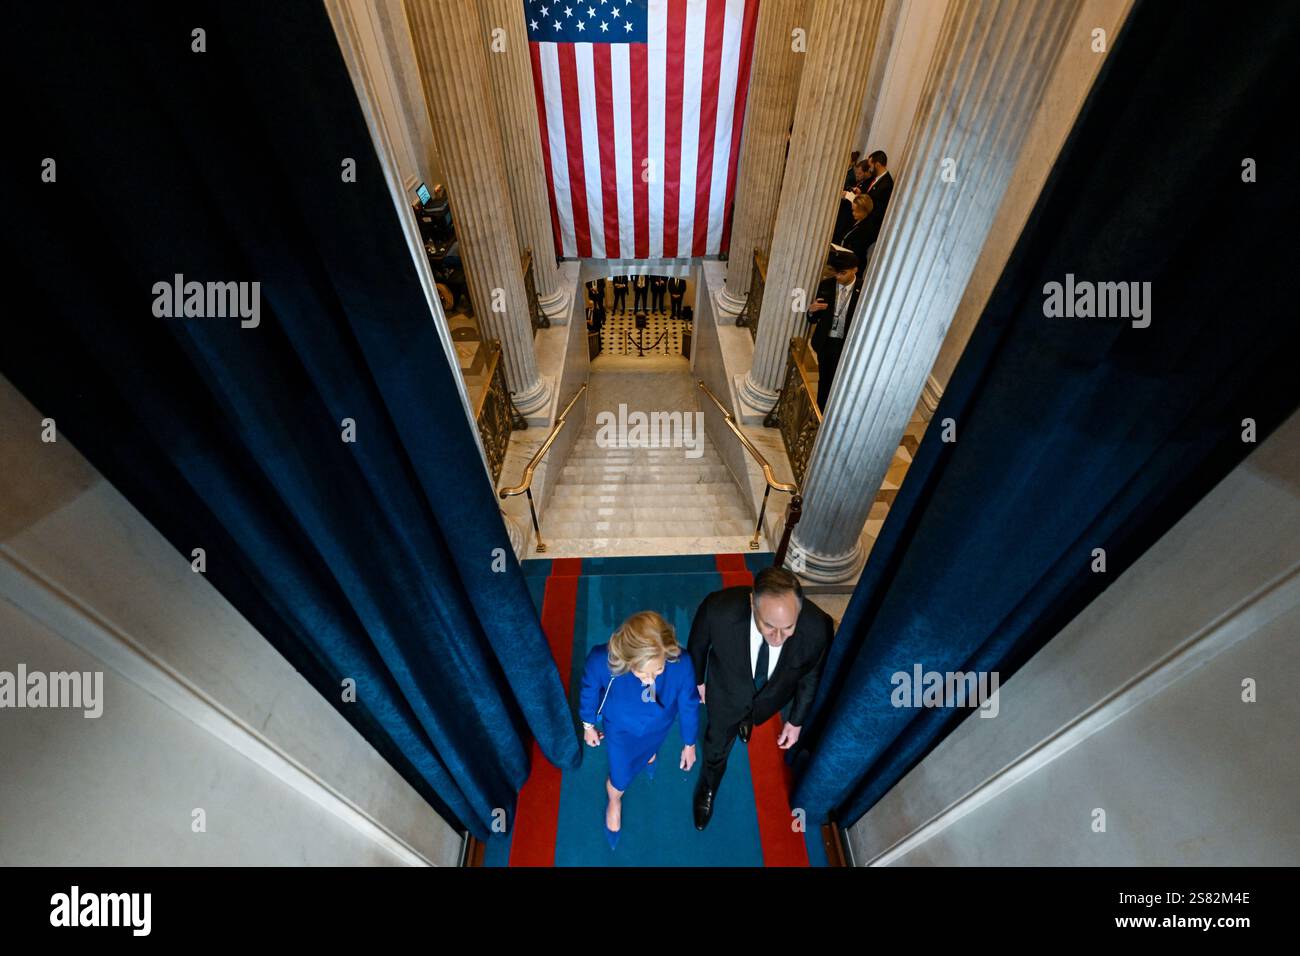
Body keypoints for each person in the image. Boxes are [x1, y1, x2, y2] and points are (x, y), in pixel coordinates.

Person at [688, 566, 832, 831]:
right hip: (724, 697)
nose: (777, 638)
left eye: (788, 627)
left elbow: (810, 676)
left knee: (750, 716)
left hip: (769, 702)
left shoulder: (818, 627)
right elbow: (697, 647)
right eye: (768, 625)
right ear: (752, 602)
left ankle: (747, 722)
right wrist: (697, 681)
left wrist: (796, 720)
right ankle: (709, 782)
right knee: (715, 746)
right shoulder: (717, 610)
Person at [579, 611, 700, 849]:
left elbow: (689, 703)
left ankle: (648, 755)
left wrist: (689, 743)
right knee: (620, 776)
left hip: (660, 726)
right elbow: (589, 691)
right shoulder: (600, 659)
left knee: (651, 748)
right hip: (620, 731)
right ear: (627, 658)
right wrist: (588, 725)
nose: (649, 680)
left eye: (657, 671)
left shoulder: (682, 663)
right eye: (642, 672)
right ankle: (615, 800)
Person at [806, 248, 860, 411]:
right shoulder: (826, 285)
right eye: (836, 273)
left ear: (854, 270)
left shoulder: (864, 290)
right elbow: (813, 319)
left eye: (842, 273)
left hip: (848, 345)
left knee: (843, 382)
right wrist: (811, 311)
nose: (838, 277)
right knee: (824, 380)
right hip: (827, 342)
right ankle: (820, 415)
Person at [856, 149, 894, 248]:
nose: (869, 169)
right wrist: (860, 192)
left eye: (870, 165)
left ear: (877, 165)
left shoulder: (886, 184)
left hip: (869, 226)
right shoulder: (875, 178)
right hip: (863, 222)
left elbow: (875, 206)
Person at [835, 193, 875, 269]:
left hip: (853, 265)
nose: (853, 213)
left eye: (857, 211)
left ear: (865, 211)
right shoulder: (855, 219)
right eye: (853, 210)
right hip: (843, 259)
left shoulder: (868, 228)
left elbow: (858, 251)